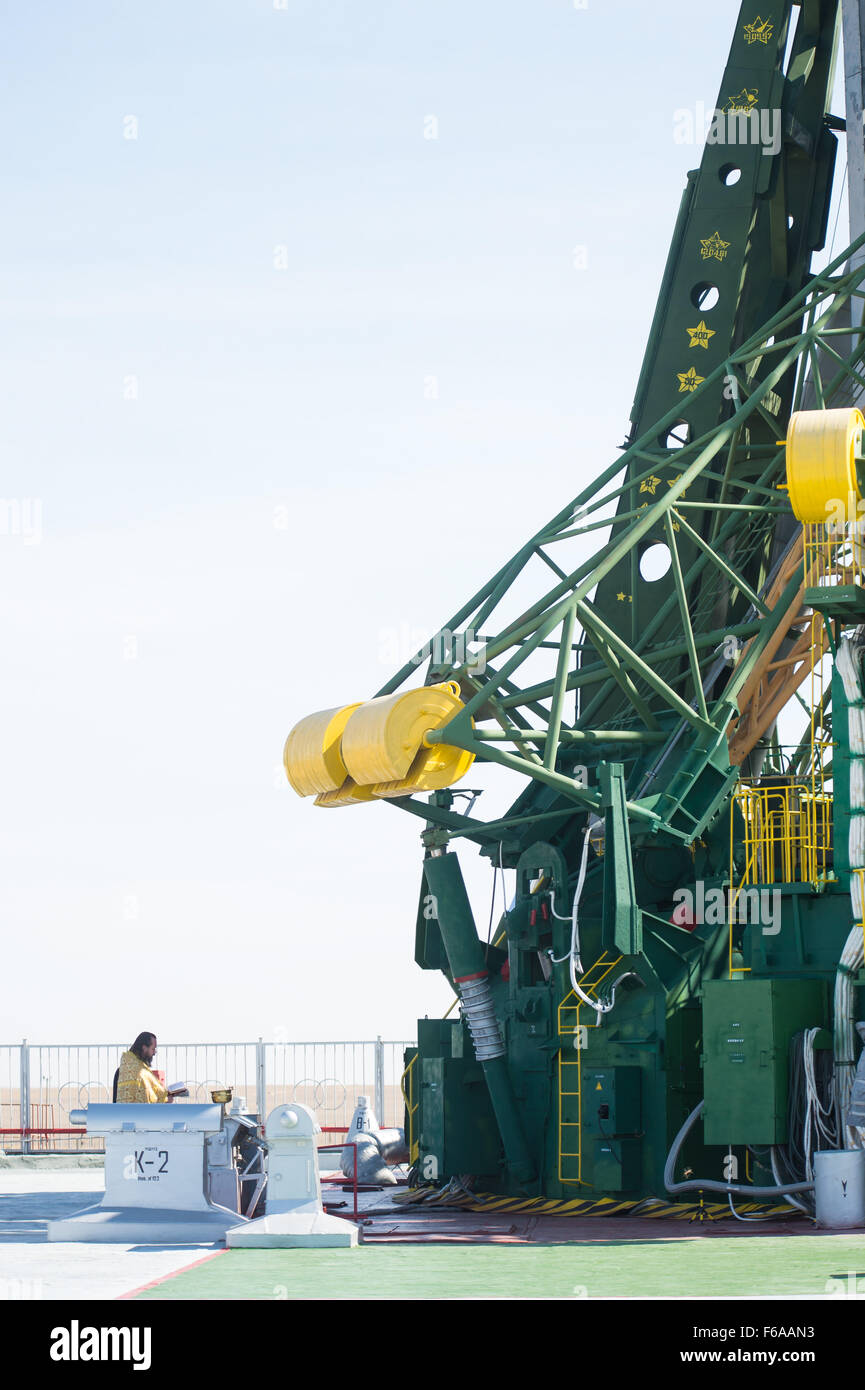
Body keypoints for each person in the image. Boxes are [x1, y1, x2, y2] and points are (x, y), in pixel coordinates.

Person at [113, 1032, 174, 1103]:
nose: (154, 1053)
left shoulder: (121, 1070)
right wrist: (166, 1100)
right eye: (153, 1049)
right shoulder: (141, 1072)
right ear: (144, 1048)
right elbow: (148, 1097)